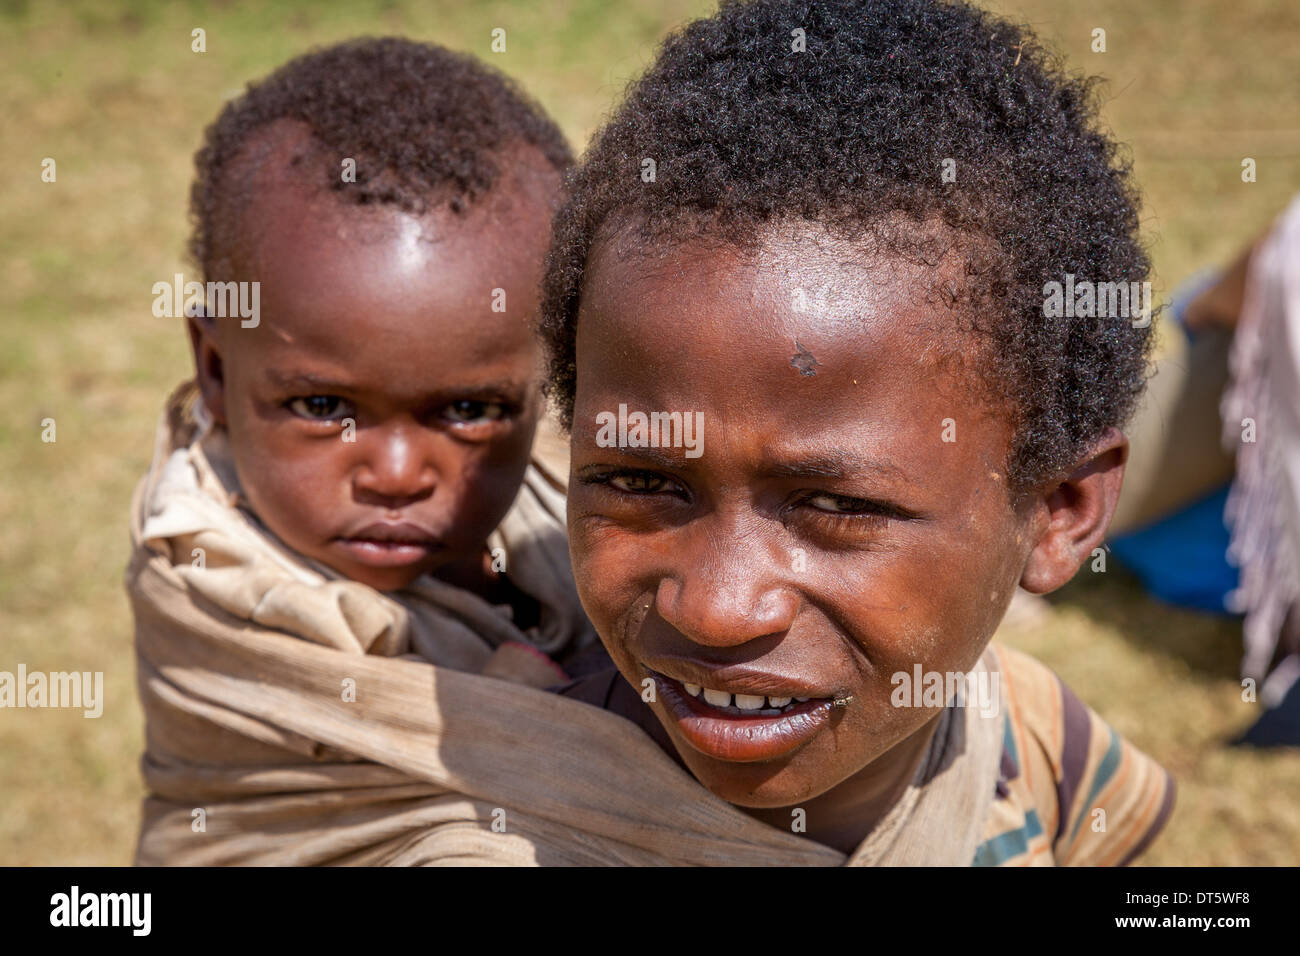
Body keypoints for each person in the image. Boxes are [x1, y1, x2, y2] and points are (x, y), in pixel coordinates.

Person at [542, 0, 1175, 864]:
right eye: (643, 483)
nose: (719, 610)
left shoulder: (1041, 749)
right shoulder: (508, 829)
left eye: (835, 503)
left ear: (1061, 511)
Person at [126, 37, 599, 864]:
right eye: (322, 406)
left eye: (468, 409)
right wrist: (538, 692)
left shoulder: (559, 504)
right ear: (212, 370)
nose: (396, 475)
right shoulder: (217, 577)